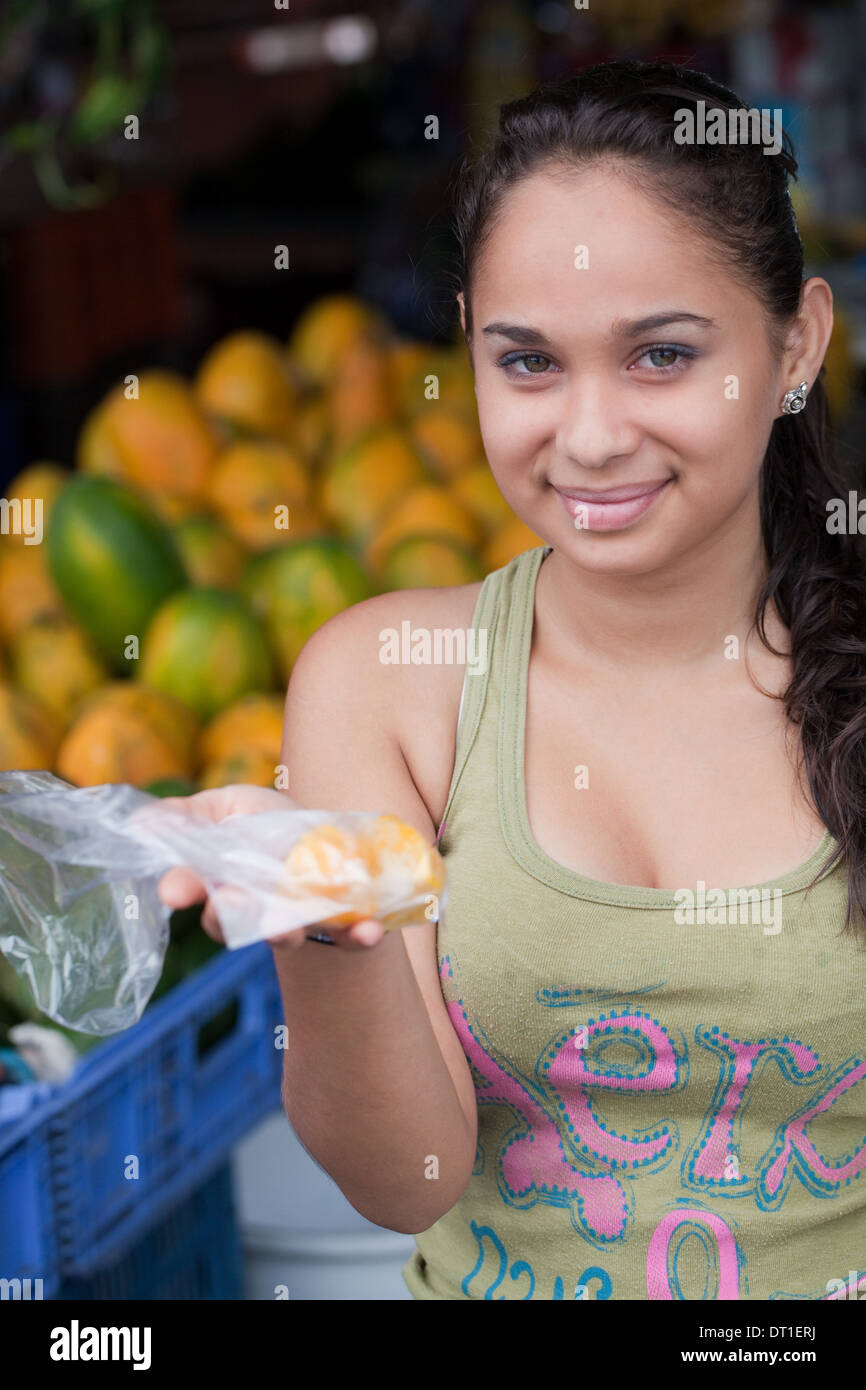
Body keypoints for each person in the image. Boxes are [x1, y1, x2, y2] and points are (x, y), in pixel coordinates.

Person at [158, 59, 866, 1301]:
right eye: (527, 363)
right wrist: (324, 921)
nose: (587, 436)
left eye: (658, 355)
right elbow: (405, 1176)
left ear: (794, 342)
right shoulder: (385, 684)